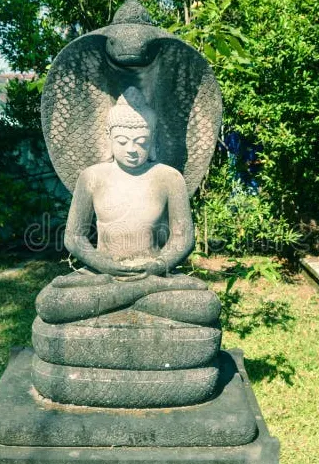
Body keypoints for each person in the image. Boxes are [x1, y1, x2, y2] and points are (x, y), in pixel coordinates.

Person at [36, 87, 218, 325]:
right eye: (122, 141)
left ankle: (125, 296)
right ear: (109, 138)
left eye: (141, 142)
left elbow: (182, 239)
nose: (132, 149)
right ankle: (139, 295)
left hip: (153, 273)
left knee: (205, 306)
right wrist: (104, 264)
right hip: (102, 274)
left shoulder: (169, 178)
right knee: (50, 304)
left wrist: (157, 266)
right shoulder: (91, 177)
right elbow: (74, 237)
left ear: (152, 140)